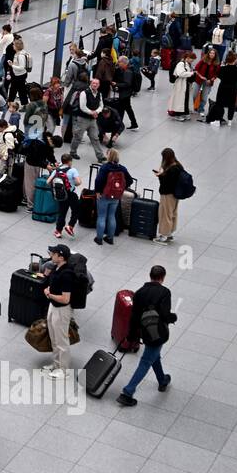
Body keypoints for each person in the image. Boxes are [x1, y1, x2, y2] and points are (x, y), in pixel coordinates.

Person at [115, 265, 176, 407]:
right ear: (163, 277)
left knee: (154, 356)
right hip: (158, 333)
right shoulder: (165, 292)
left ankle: (162, 380)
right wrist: (174, 317)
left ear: (150, 276)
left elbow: (134, 317)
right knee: (146, 361)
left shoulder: (139, 293)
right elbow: (165, 315)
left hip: (145, 332)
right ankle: (127, 392)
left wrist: (131, 336)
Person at [42, 244, 74, 380]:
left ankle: (63, 369)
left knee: (61, 340)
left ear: (61, 257)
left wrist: (50, 295)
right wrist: (48, 289)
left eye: (54, 253)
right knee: (54, 337)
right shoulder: (56, 268)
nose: (51, 255)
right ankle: (56, 364)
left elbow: (66, 299)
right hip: (53, 306)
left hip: (62, 310)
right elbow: (53, 284)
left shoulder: (67, 274)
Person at [93, 149, 133, 246]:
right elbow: (130, 180)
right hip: (116, 196)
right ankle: (110, 238)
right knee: (112, 216)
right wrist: (121, 189)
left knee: (102, 216)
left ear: (109, 156)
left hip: (104, 195)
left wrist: (98, 191)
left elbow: (98, 180)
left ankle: (99, 238)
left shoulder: (105, 168)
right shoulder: (122, 168)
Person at [69, 77, 105, 163]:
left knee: (95, 137)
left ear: (99, 85)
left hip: (92, 120)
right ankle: (72, 152)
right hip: (82, 119)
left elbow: (101, 105)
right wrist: (92, 112)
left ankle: (100, 156)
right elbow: (82, 106)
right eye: (93, 83)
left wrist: (96, 112)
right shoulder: (84, 93)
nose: (95, 85)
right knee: (78, 136)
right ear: (90, 84)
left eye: (97, 83)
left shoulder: (99, 94)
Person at [205, 50, 237, 126]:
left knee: (220, 104)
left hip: (223, 88)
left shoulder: (223, 69)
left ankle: (217, 120)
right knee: (231, 105)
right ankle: (230, 121)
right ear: (235, 60)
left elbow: (218, 76)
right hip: (233, 88)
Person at [153, 147, 182, 244]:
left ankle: (163, 235)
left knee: (164, 214)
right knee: (172, 213)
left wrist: (160, 176)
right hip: (176, 195)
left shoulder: (171, 170)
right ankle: (169, 233)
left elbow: (166, 183)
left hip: (167, 194)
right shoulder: (178, 166)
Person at [50, 153, 81, 239]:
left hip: (61, 194)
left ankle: (58, 231)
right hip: (71, 194)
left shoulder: (56, 170)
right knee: (76, 210)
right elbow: (78, 182)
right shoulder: (73, 170)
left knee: (62, 213)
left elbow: (48, 181)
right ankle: (70, 226)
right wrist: (72, 183)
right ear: (69, 161)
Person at [191, 48, 219, 121]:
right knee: (194, 94)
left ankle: (201, 109)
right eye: (210, 53)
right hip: (198, 80)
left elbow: (216, 74)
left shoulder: (216, 63)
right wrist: (201, 77)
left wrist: (211, 79)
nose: (212, 54)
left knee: (204, 97)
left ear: (215, 55)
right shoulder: (203, 60)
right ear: (208, 53)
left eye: (213, 53)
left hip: (208, 82)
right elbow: (196, 69)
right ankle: (192, 107)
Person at [112, 55, 139, 130]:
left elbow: (127, 84)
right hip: (127, 93)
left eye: (119, 62)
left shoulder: (128, 72)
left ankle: (119, 125)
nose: (118, 63)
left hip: (125, 93)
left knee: (121, 109)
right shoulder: (128, 69)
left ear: (124, 63)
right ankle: (134, 123)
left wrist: (116, 84)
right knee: (128, 108)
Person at [168, 49, 195, 120]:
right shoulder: (181, 64)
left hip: (186, 84)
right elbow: (180, 73)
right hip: (180, 84)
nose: (193, 61)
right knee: (179, 99)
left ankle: (185, 113)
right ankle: (178, 114)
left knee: (185, 99)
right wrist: (191, 73)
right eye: (192, 59)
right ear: (188, 58)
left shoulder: (188, 64)